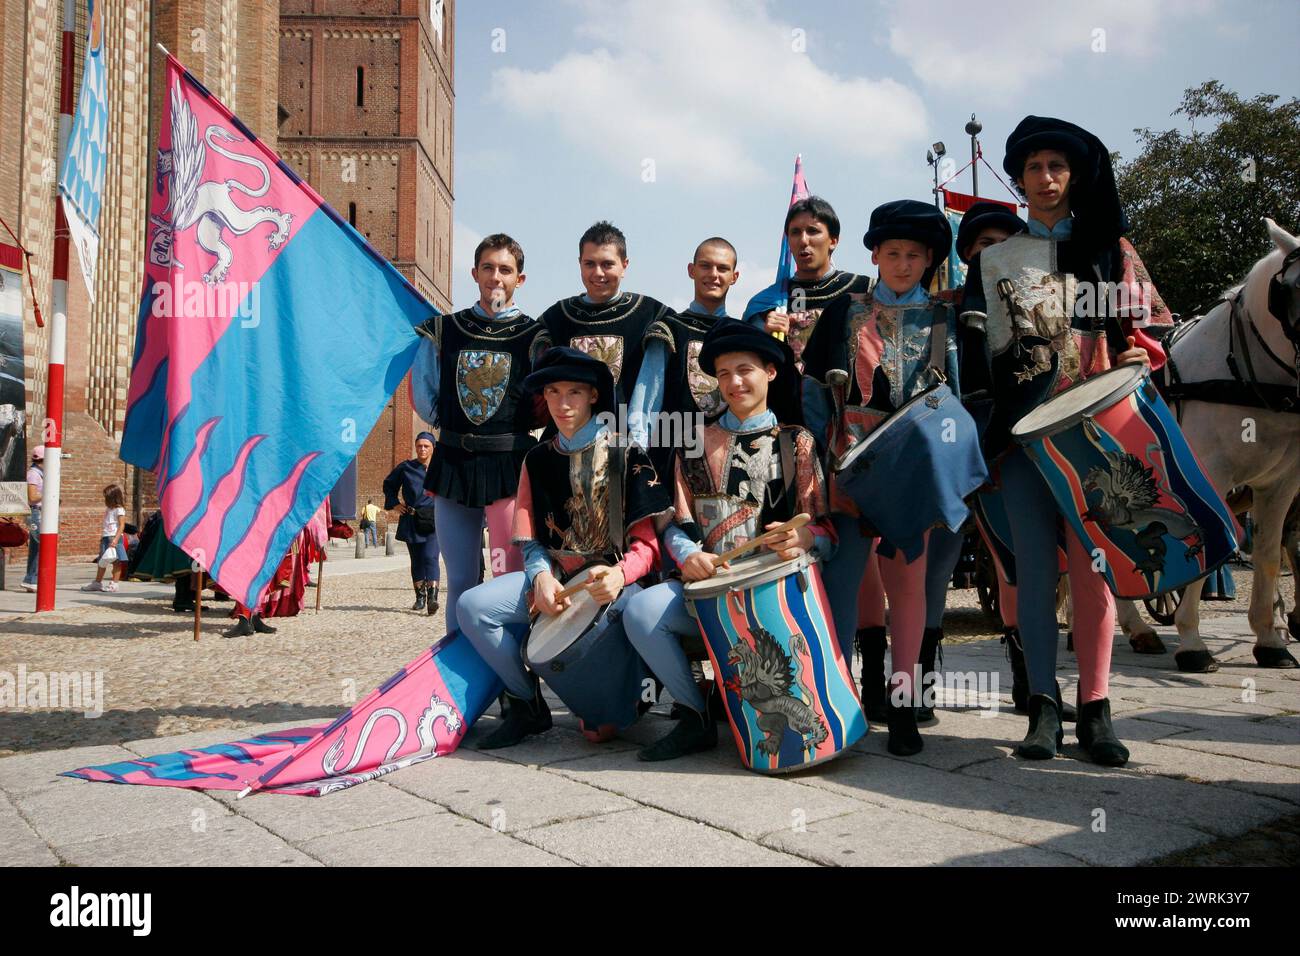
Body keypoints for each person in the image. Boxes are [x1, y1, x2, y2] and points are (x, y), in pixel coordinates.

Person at [959, 116, 1164, 766]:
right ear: (1017, 181)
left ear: (1073, 176)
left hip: (1098, 438)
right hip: (1022, 439)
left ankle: (1097, 710)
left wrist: (1135, 358)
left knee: (1094, 569)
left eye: (1057, 167)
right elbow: (974, 362)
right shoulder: (994, 261)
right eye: (1034, 168)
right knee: (1036, 575)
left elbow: (1144, 342)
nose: (1046, 179)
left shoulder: (1111, 250)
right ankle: (1043, 709)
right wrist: (984, 440)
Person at [623, 320, 834, 760]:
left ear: (770, 373)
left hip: (774, 603)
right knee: (640, 611)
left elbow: (828, 533)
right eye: (723, 374)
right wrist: (687, 555)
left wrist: (803, 537)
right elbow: (675, 524)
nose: (734, 382)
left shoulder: (798, 444)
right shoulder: (695, 442)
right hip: (708, 596)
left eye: (745, 370)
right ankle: (694, 713)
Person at [802, 199, 959, 756]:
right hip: (847, 467)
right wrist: (819, 463)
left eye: (914, 255)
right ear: (875, 254)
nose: (902, 263)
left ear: (929, 260)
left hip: (912, 472)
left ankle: (903, 702)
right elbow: (814, 394)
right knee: (843, 583)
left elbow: (956, 403)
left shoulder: (946, 319)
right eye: (892, 252)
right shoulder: (844, 314)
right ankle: (841, 701)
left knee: (908, 588)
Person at [456, 347, 671, 750]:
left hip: (615, 587)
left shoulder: (627, 452)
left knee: (602, 731)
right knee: (473, 607)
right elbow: (531, 538)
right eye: (553, 392)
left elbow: (649, 547)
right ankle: (526, 702)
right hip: (557, 582)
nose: (562, 403)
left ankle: (634, 687)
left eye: (574, 392)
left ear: (593, 396)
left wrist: (620, 576)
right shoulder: (536, 460)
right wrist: (539, 576)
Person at [412, 233, 544, 631]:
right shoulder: (443, 329)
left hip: (509, 466)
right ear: (474, 273)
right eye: (488, 267)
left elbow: (542, 400)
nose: (495, 277)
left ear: (519, 279)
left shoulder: (535, 336)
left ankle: (512, 684)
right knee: (462, 582)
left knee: (508, 583)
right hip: (454, 463)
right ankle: (459, 679)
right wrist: (456, 425)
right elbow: (424, 395)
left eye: (505, 269)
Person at [537, 221, 671, 408]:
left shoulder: (651, 313)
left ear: (624, 265)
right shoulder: (556, 317)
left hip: (628, 433)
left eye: (607, 264)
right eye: (589, 264)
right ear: (579, 264)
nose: (598, 273)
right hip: (569, 433)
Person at [743, 196, 871, 363]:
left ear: (833, 241)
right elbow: (747, 365)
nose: (803, 240)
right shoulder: (766, 305)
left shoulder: (865, 290)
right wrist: (766, 338)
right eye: (795, 232)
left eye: (813, 231)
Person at [382, 433, 441, 614]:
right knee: (417, 560)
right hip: (412, 519)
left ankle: (433, 597)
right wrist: (395, 504)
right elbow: (388, 485)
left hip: (434, 519)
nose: (422, 449)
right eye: (419, 446)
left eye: (426, 446)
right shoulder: (406, 467)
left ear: (433, 448)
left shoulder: (441, 468)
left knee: (431, 557)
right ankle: (420, 597)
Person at [82, 483, 128, 593]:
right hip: (106, 536)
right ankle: (97, 583)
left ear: (113, 497)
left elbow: (122, 525)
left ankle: (114, 584)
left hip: (114, 537)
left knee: (116, 561)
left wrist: (116, 540)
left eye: (107, 497)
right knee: (102, 561)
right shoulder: (108, 509)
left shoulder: (119, 509)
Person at [21, 445, 42, 592]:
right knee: (39, 545)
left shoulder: (40, 473)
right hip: (36, 512)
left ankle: (30, 579)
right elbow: (32, 497)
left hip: (41, 512)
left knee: (38, 547)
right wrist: (50, 490)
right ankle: (32, 578)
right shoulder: (34, 474)